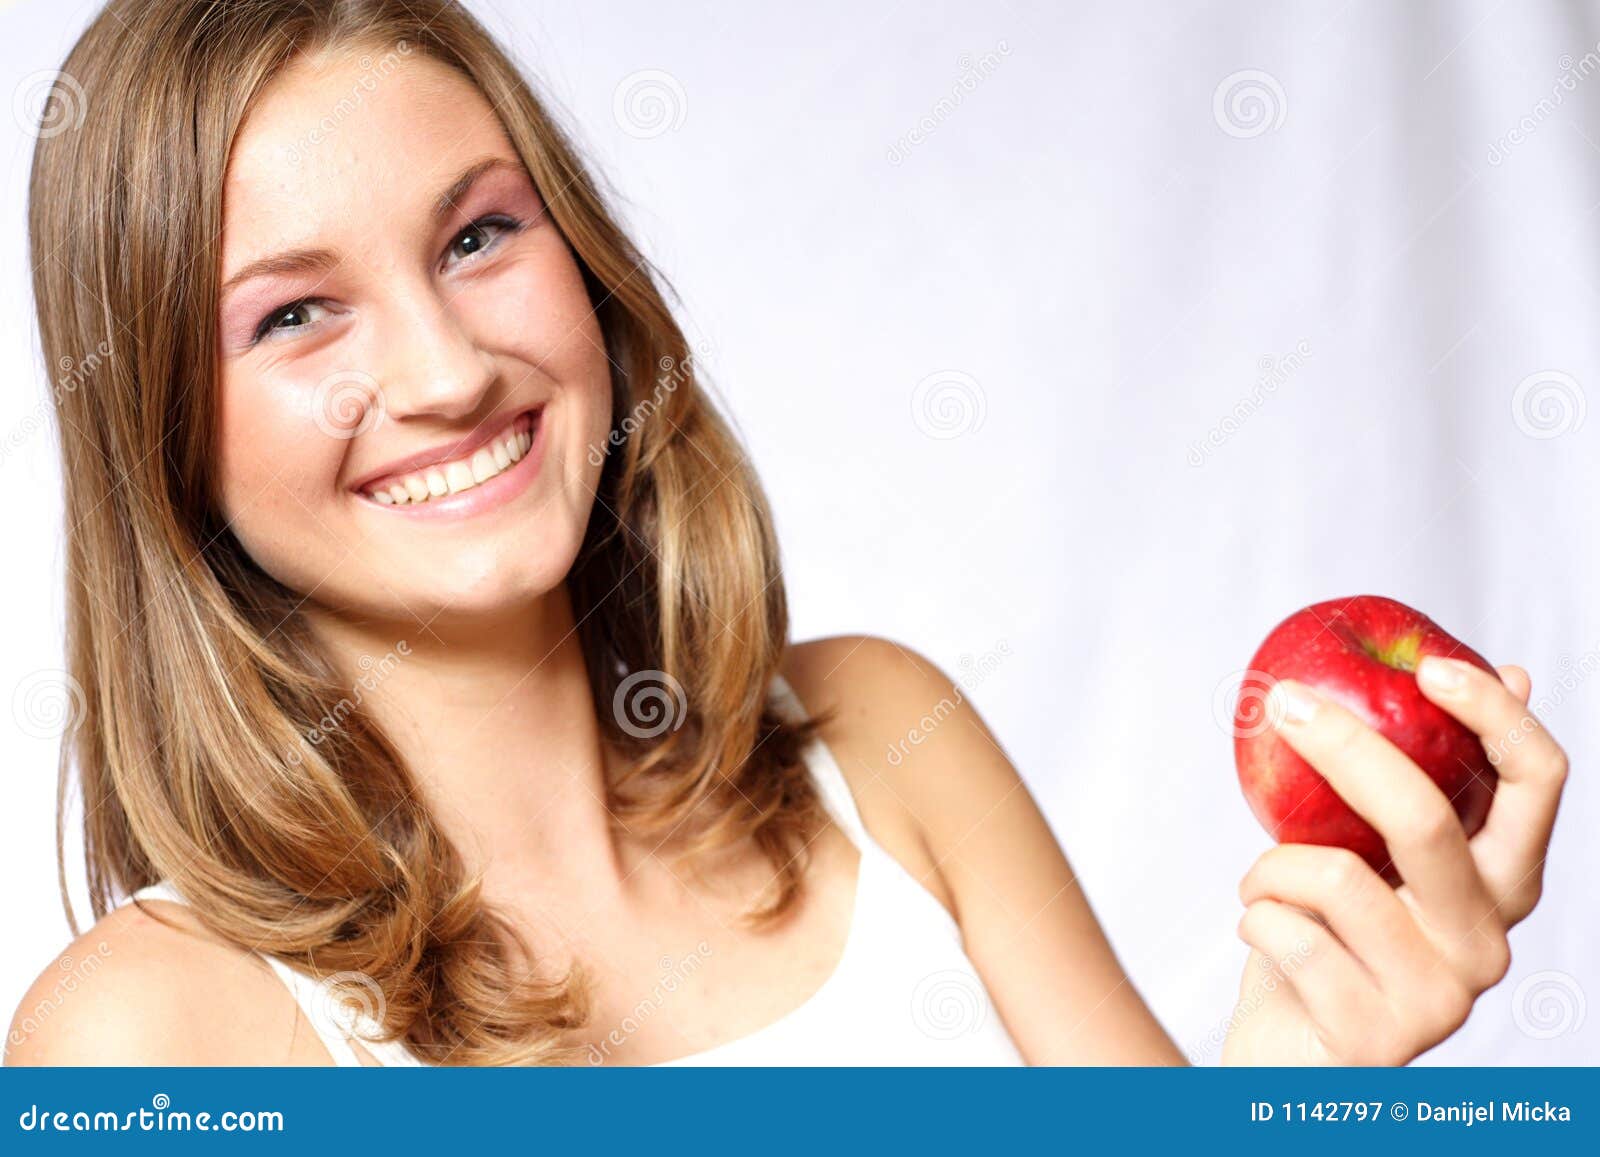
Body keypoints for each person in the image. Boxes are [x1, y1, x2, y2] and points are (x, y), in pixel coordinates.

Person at [5, 0, 1568, 1066]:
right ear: (166, 438)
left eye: (477, 234)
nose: (444, 368)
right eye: (294, 314)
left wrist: (1302, 1082)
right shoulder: (152, 1033)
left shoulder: (880, 743)